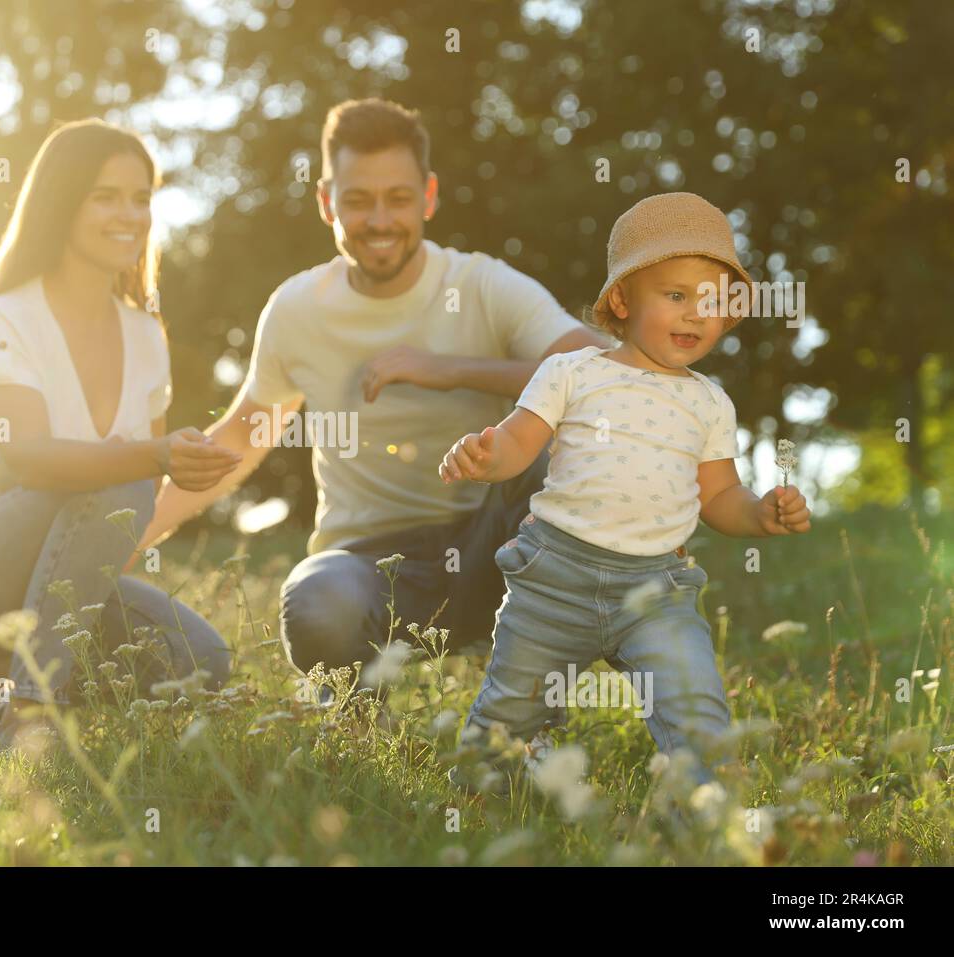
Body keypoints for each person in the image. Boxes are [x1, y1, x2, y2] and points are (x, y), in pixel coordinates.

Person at [136, 98, 607, 678]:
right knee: (317, 600)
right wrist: (132, 538)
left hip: (490, 550)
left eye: (399, 199)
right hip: (365, 565)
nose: (379, 221)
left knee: (568, 453)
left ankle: (529, 711)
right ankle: (362, 725)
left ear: (429, 197)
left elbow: (603, 370)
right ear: (326, 201)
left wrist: (455, 369)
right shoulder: (297, 309)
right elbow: (241, 436)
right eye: (358, 201)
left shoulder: (480, 284)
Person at [439, 191, 813, 794]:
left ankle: (706, 816)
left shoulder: (710, 402)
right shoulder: (574, 372)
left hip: (657, 591)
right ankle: (486, 800)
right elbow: (517, 443)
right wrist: (486, 456)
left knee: (697, 711)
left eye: (713, 302)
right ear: (622, 297)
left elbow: (718, 497)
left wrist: (761, 513)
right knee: (507, 718)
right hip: (555, 578)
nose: (696, 314)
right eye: (676, 296)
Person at [0, 119, 238, 750]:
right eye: (106, 195)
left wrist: (162, 466)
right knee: (119, 472)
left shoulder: (145, 335)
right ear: (62, 203)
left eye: (141, 198)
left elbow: (138, 491)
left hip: (53, 574)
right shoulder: (9, 317)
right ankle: (27, 714)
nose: (129, 214)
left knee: (200, 663)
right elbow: (31, 460)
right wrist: (156, 455)